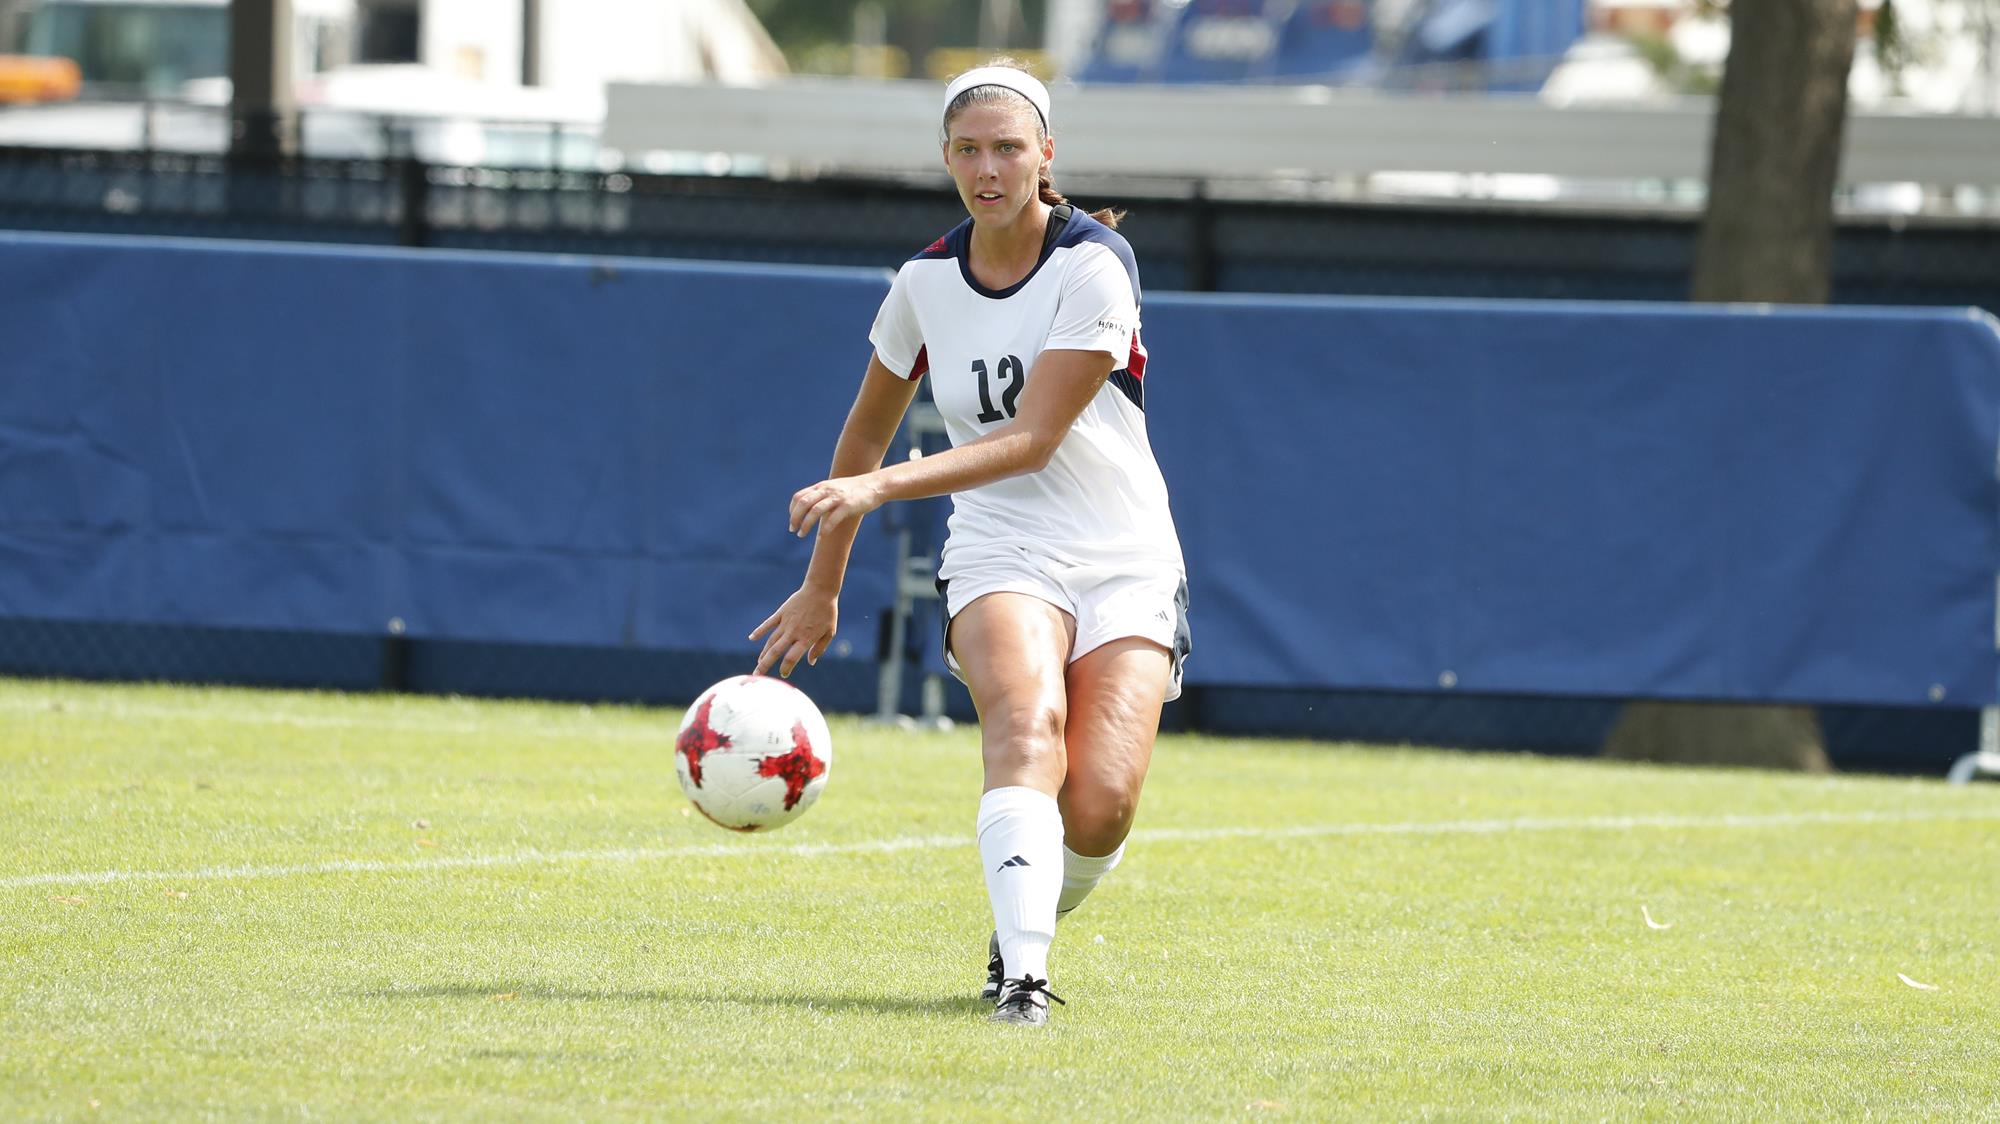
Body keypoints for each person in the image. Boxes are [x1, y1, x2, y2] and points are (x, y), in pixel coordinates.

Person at [750, 59, 1189, 1027]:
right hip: (1002, 548)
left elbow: (1029, 438)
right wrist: (824, 585)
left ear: (1045, 154)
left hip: (1123, 552)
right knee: (1023, 725)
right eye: (966, 149)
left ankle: (1021, 914)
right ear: (944, 157)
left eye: (1006, 147)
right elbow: (863, 436)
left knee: (1102, 802)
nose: (986, 167)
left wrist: (877, 485)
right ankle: (1023, 977)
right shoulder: (923, 280)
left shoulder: (1092, 263)